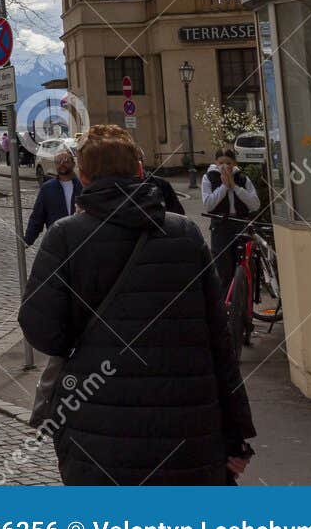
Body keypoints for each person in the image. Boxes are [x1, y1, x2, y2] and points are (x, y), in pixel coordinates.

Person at [19, 124, 255, 485]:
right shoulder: (184, 233)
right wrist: (236, 433)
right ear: (140, 171)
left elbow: (44, 333)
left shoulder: (65, 237)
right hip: (188, 424)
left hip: (98, 427)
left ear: (84, 176)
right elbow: (219, 338)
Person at [202, 147, 260, 284]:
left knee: (242, 264)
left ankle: (243, 298)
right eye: (221, 163)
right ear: (216, 162)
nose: (225, 166)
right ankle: (225, 301)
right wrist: (224, 187)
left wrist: (234, 186)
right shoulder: (209, 178)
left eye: (228, 163)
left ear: (234, 163)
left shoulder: (242, 178)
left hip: (240, 223)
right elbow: (208, 204)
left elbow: (255, 204)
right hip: (221, 225)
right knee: (223, 267)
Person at [24, 150, 80, 246]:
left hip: (80, 240)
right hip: (56, 241)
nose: (62, 164)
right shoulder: (47, 188)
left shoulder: (82, 186)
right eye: (58, 162)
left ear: (73, 163)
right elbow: (37, 216)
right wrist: (27, 240)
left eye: (66, 161)